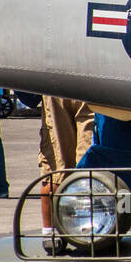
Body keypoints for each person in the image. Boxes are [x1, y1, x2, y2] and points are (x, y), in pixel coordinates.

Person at [38, 98, 95, 252]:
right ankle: (51, 231)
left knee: (59, 163)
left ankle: (51, 232)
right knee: (85, 162)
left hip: (57, 84)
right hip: (89, 84)